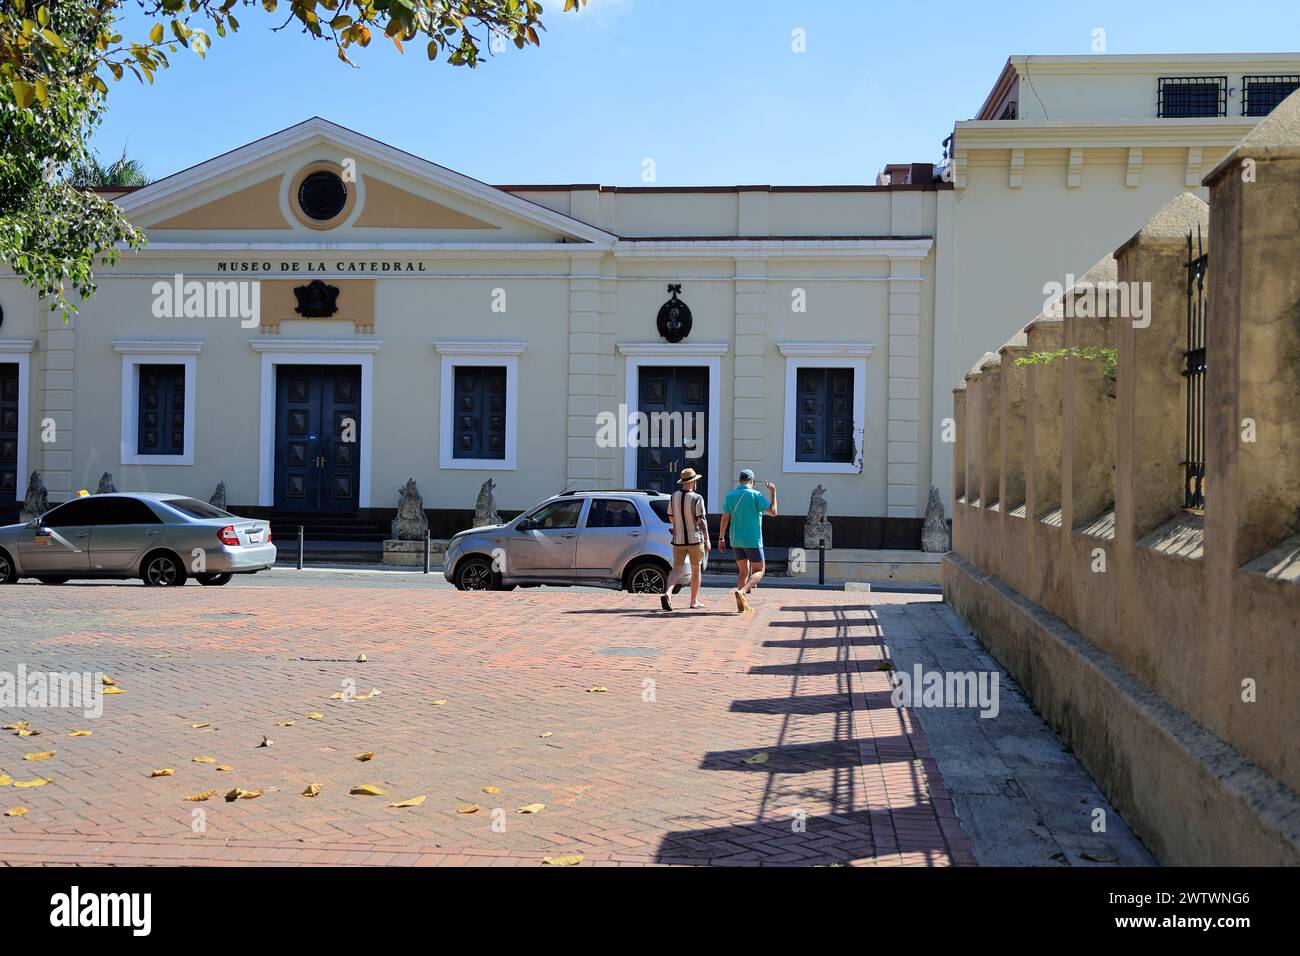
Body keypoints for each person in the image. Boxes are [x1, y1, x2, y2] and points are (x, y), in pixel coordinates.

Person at [718, 469, 777, 612]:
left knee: (743, 572)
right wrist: (773, 493)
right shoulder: (756, 495)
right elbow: (773, 512)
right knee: (759, 570)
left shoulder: (730, 496)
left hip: (736, 540)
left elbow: (725, 518)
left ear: (740, 480)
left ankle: (742, 606)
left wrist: (721, 538)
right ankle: (743, 591)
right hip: (752, 540)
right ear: (752, 481)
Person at [662, 467, 709, 611]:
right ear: (693, 482)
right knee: (696, 570)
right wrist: (707, 539)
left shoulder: (674, 496)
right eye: (695, 481)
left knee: (676, 570)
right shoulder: (697, 498)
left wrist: (677, 526)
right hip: (695, 540)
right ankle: (693, 601)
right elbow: (701, 520)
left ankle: (667, 593)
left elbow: (670, 516)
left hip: (678, 540)